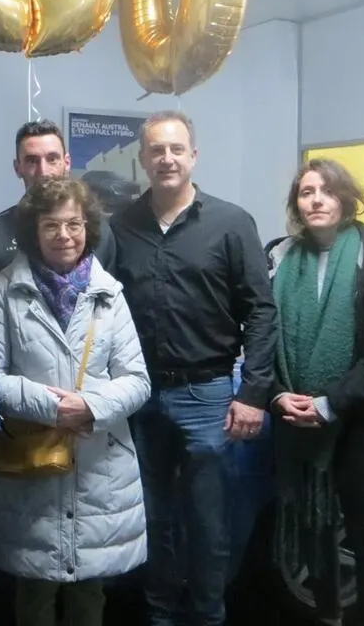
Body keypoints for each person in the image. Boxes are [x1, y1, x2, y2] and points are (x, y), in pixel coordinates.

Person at [110, 110, 277, 626]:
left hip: (207, 394)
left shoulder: (230, 222)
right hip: (139, 397)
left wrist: (252, 393)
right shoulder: (121, 227)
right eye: (156, 150)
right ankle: (160, 614)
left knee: (208, 521)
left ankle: (207, 615)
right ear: (142, 160)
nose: (166, 158)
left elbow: (261, 311)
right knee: (153, 517)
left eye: (176, 149)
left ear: (193, 156)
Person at [0, 177, 150, 626]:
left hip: (98, 466)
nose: (63, 235)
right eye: (51, 225)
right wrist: (53, 407)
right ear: (34, 230)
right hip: (31, 462)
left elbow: (137, 380)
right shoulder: (2, 290)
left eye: (73, 224)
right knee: (33, 587)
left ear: (88, 228)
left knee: (90, 590)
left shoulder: (110, 294)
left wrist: (89, 408)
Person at [266, 159, 364, 626]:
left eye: (327, 190)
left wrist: (330, 404)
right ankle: (326, 614)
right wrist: (278, 395)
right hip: (295, 420)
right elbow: (260, 340)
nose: (316, 199)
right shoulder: (278, 260)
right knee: (312, 526)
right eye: (306, 191)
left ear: (347, 200)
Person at [0, 119, 116, 310]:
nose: (43, 171)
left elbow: (110, 303)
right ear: (17, 167)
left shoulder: (98, 230)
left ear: (66, 162)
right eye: (31, 161)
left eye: (52, 158)